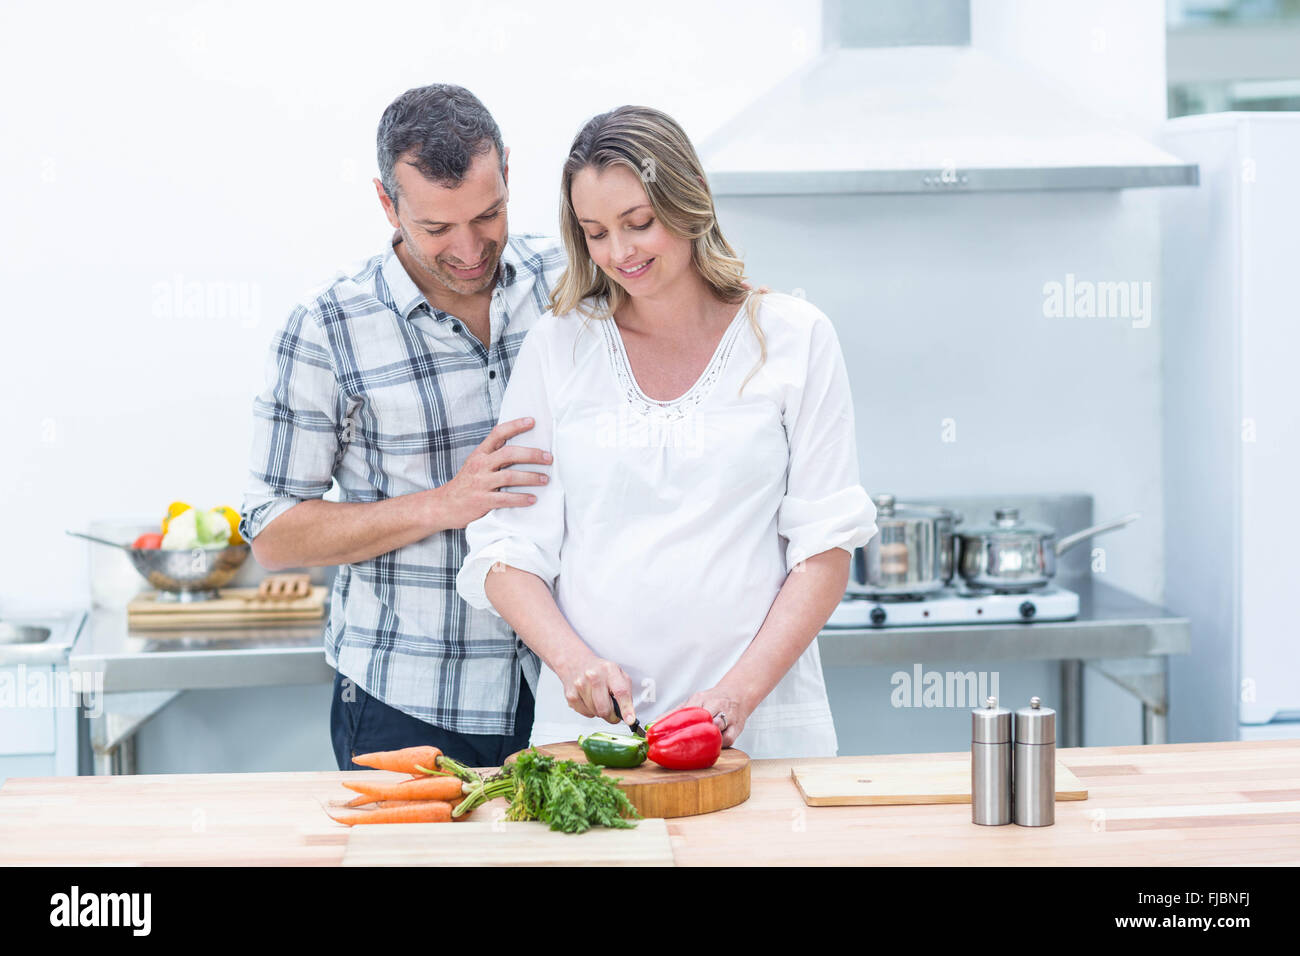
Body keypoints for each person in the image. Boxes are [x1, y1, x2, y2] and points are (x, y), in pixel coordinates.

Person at [455, 106, 877, 758]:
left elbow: (825, 548)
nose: (619, 253)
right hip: (595, 742)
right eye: (595, 232)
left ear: (690, 203)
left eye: (639, 223)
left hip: (764, 732)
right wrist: (572, 664)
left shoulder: (795, 337)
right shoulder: (559, 347)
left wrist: (737, 694)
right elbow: (506, 549)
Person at [240, 84, 565, 769]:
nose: (471, 248)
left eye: (489, 215)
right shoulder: (326, 330)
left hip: (566, 692)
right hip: (408, 708)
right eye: (437, 228)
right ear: (387, 204)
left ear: (507, 169)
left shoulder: (569, 280)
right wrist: (442, 505)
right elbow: (270, 531)